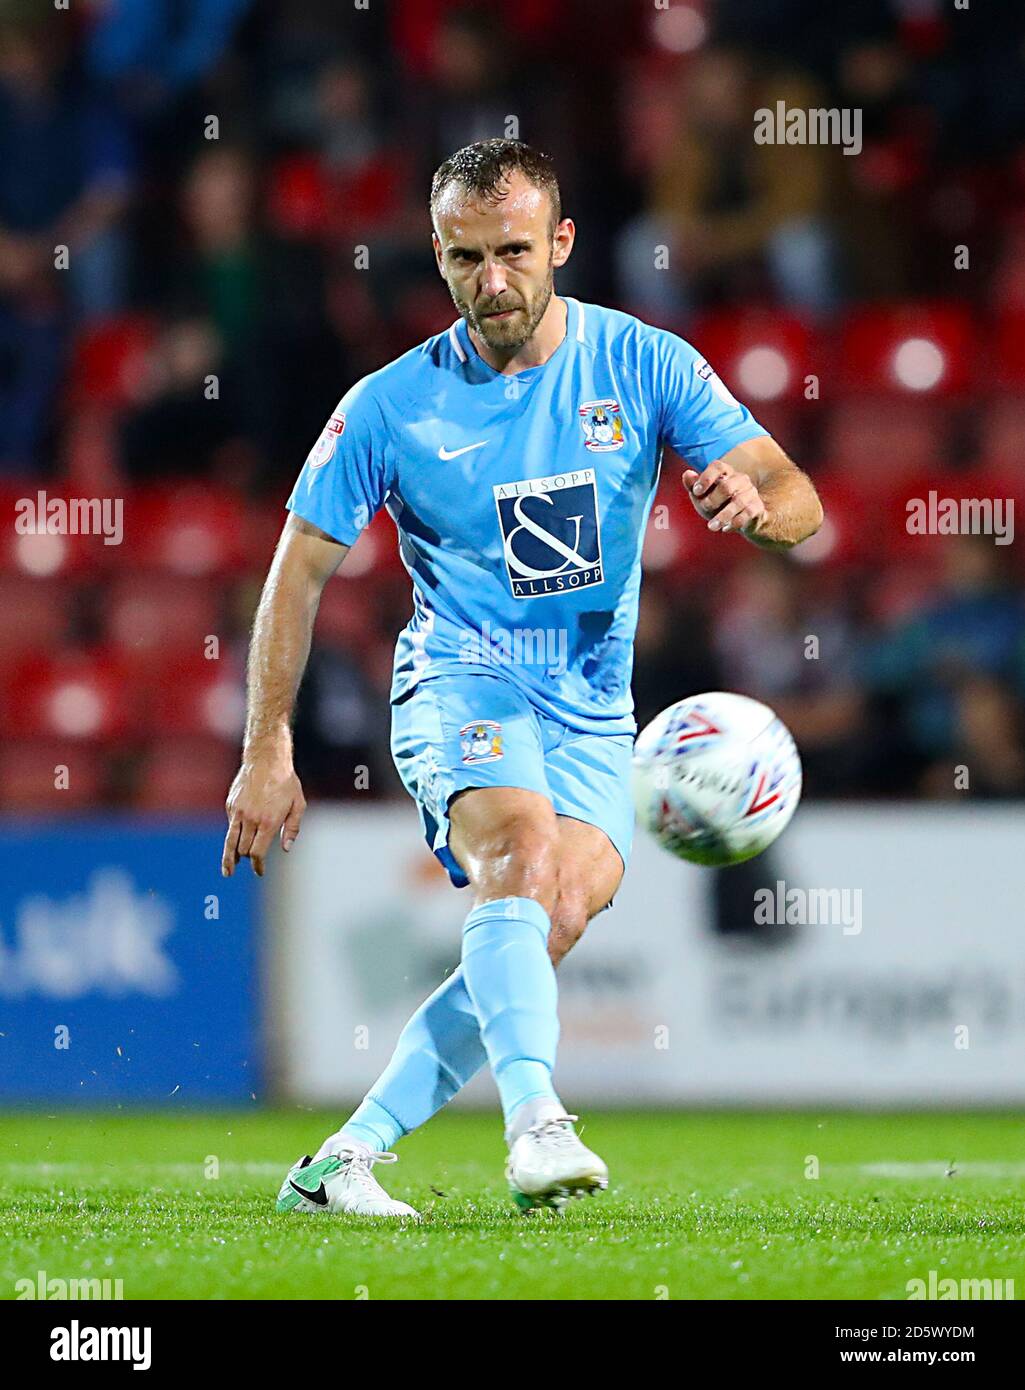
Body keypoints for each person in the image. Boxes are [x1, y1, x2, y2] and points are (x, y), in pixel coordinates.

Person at [222, 139, 823, 1219]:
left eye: (510, 251)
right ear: (438, 255)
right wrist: (267, 745)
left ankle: (339, 1161)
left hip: (594, 706)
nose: (489, 281)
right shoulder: (387, 405)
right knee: (519, 852)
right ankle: (537, 1123)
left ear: (560, 243)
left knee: (544, 913)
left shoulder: (644, 363)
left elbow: (797, 498)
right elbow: (295, 575)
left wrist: (755, 509)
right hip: (461, 675)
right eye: (463, 258)